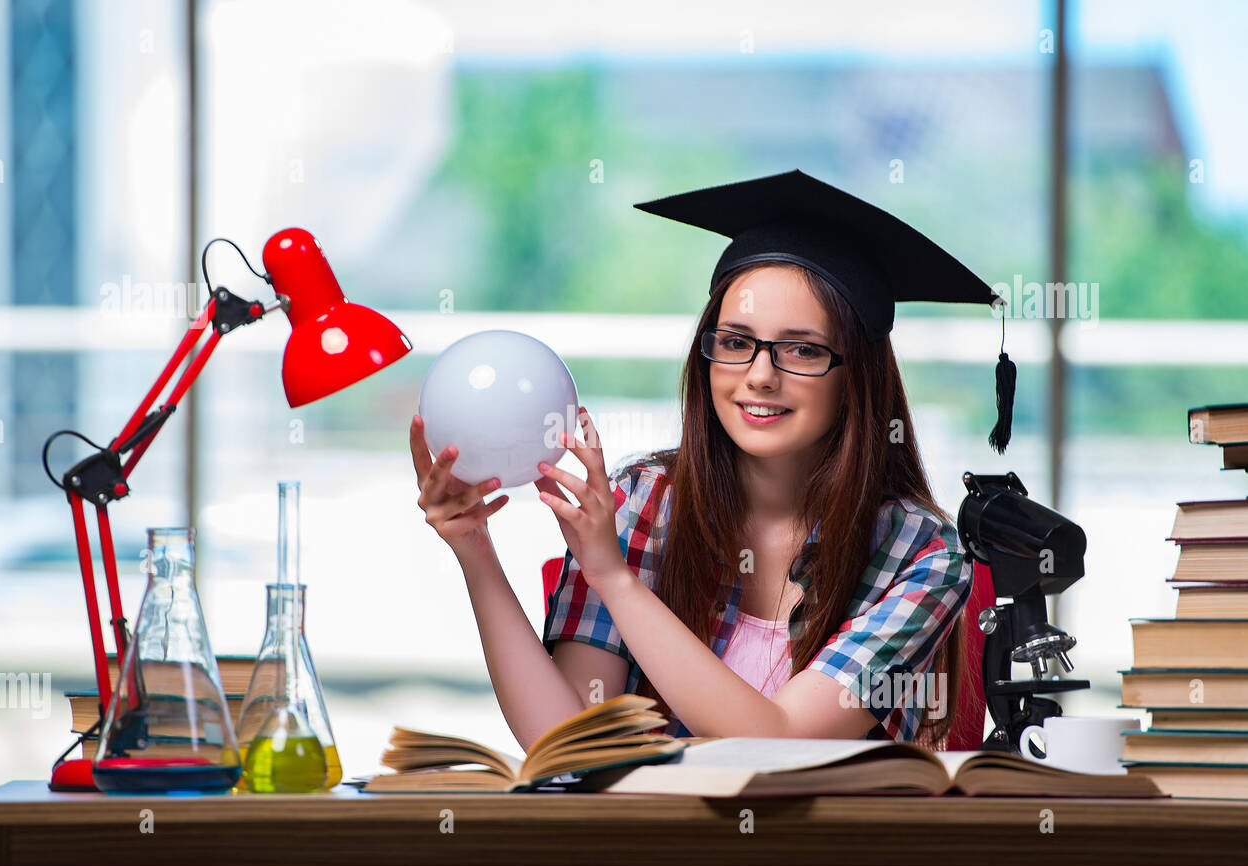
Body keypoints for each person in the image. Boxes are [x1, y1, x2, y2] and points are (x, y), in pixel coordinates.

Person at [411, 170, 1007, 751]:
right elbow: (568, 740)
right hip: (656, 845)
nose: (760, 376)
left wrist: (615, 579)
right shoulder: (641, 503)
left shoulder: (921, 554)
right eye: (736, 342)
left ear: (857, 378)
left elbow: (780, 741)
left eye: (802, 349)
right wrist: (474, 549)